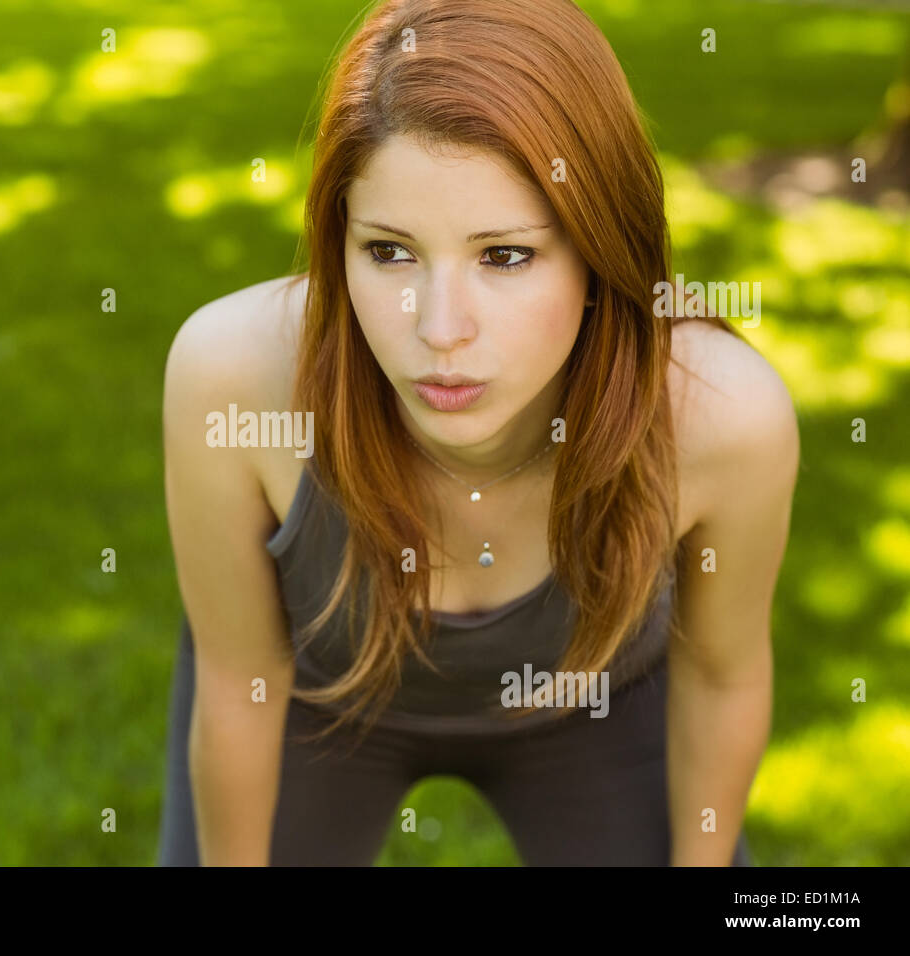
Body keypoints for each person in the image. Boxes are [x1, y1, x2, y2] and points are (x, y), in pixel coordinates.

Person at [157, 0, 799, 866]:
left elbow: (722, 677)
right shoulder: (233, 378)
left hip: (599, 704)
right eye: (389, 251)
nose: (440, 329)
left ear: (601, 250)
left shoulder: (723, 417)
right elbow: (240, 682)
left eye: (504, 255)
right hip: (315, 703)